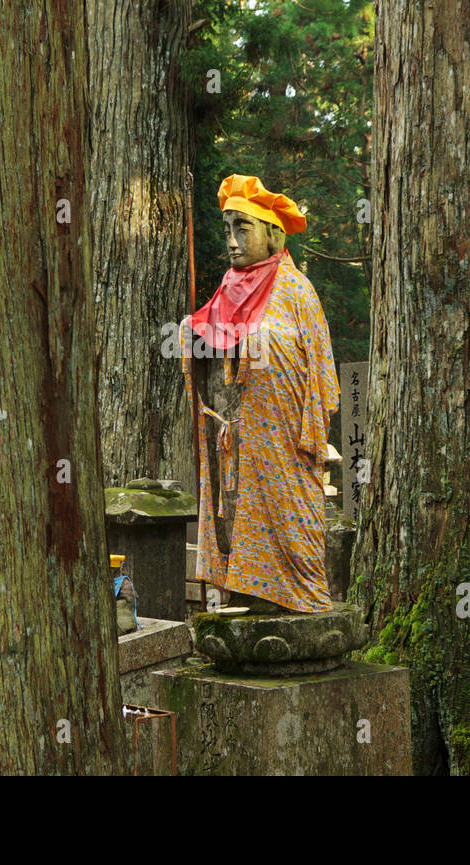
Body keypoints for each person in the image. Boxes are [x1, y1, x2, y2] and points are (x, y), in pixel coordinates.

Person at [182, 174, 339, 614]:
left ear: (271, 234)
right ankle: (248, 593)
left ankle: (295, 596)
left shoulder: (294, 290)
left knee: (286, 510)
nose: (232, 242)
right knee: (239, 509)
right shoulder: (228, 288)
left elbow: (320, 367)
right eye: (227, 230)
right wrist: (188, 334)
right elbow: (205, 338)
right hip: (239, 428)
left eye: (242, 229)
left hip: (285, 436)